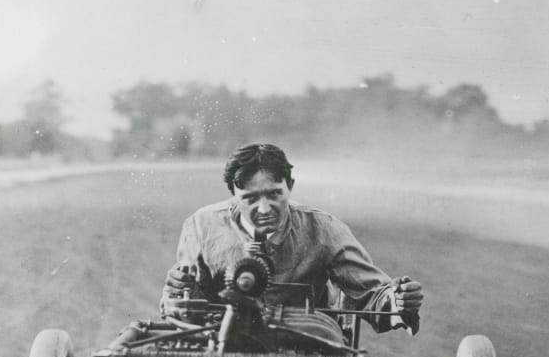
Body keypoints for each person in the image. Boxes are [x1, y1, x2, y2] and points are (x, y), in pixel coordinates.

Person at [160, 143, 424, 338]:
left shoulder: (324, 229)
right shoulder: (201, 226)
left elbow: (372, 293)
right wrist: (178, 289)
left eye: (274, 194)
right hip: (222, 343)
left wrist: (397, 300)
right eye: (250, 199)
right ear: (233, 195)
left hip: (306, 350)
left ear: (291, 185)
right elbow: (184, 305)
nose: (264, 209)